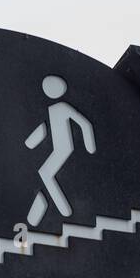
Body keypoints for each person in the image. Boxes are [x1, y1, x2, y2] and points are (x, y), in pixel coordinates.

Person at [25, 75, 96, 227]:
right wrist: (31, 142)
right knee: (45, 174)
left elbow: (83, 123)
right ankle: (47, 208)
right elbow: (46, 129)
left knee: (45, 173)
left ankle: (63, 209)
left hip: (64, 148)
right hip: (59, 148)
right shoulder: (52, 109)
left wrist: (89, 144)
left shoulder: (63, 107)